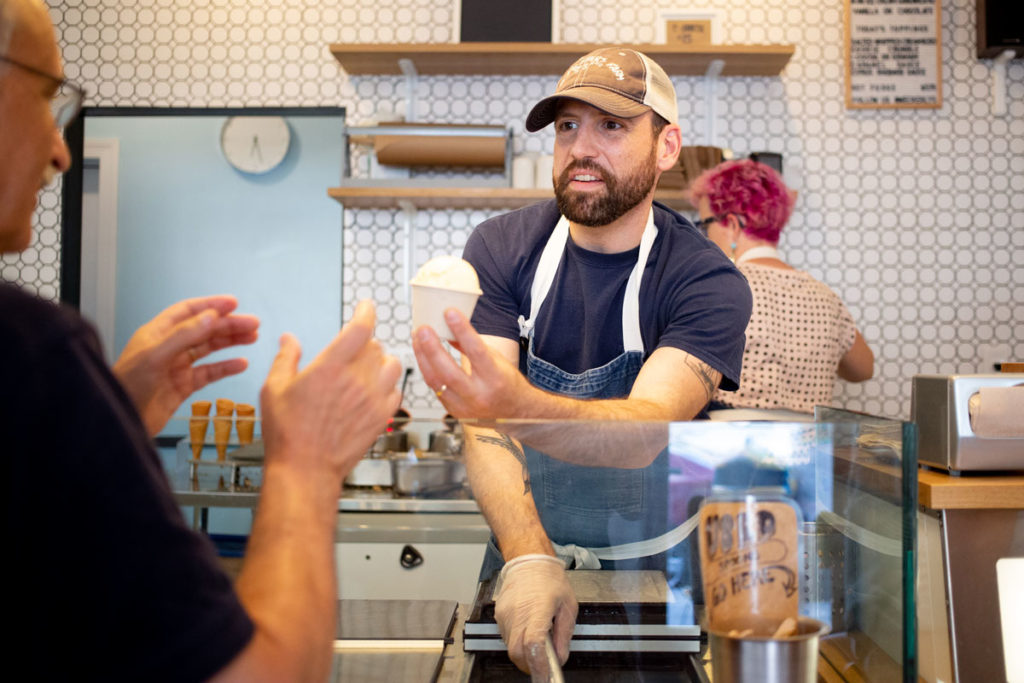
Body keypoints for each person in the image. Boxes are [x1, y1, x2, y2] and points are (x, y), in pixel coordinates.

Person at [1, 1, 402, 680]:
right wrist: (304, 463)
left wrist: (103, 419)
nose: (61, 149)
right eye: (46, 96)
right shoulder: (31, 350)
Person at [411, 47, 752, 676]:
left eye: (612, 126)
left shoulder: (706, 279)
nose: (580, 147)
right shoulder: (502, 245)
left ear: (667, 146)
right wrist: (530, 559)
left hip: (655, 589)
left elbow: (646, 432)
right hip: (520, 567)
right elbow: (485, 429)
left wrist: (507, 404)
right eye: (567, 126)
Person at [688, 159, 874, 417]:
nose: (704, 235)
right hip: (809, 448)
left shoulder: (717, 288)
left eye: (705, 225)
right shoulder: (823, 296)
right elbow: (864, 369)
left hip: (728, 446)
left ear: (731, 225)